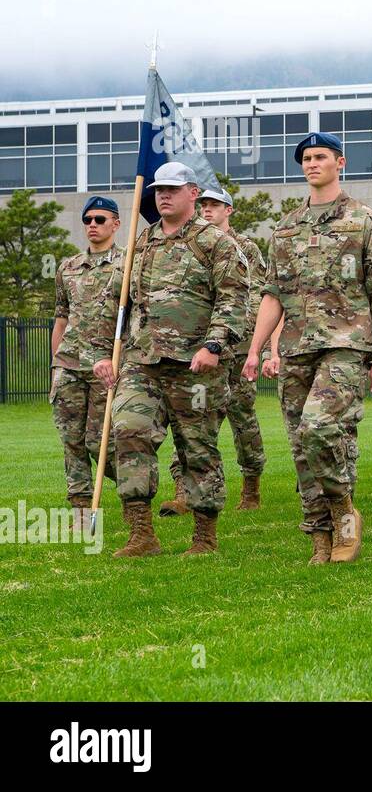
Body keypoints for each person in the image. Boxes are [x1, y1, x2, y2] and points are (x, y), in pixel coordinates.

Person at [242, 131, 372, 565]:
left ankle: (345, 515)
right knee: (301, 446)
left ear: (340, 163)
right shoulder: (287, 228)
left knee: (317, 427)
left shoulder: (366, 221)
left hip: (347, 346)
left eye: (321, 157)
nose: (312, 164)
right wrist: (256, 349)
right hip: (296, 348)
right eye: (306, 158)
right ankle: (320, 537)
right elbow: (273, 294)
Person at [93, 163, 248, 557]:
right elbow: (120, 302)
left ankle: (204, 537)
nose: (163, 195)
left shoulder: (216, 243)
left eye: (172, 189)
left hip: (195, 368)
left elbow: (234, 300)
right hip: (142, 363)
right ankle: (142, 534)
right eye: (159, 189)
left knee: (197, 448)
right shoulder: (141, 244)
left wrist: (213, 346)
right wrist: (105, 353)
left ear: (193, 193)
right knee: (127, 432)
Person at [163, 187, 268, 513]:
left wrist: (245, 344)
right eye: (204, 205)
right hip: (198, 349)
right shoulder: (190, 244)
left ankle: (251, 485)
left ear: (229, 210)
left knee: (242, 416)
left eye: (215, 205)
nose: (208, 210)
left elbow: (255, 298)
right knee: (189, 417)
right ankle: (183, 489)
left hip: (234, 350)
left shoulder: (246, 249)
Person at [51, 196, 122, 521]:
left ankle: (133, 488)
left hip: (106, 366)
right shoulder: (68, 267)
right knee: (71, 439)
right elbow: (62, 318)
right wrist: (56, 362)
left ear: (116, 224)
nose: (92, 225)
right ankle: (80, 508)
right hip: (69, 365)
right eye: (88, 219)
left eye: (100, 219)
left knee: (99, 442)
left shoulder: (127, 264)